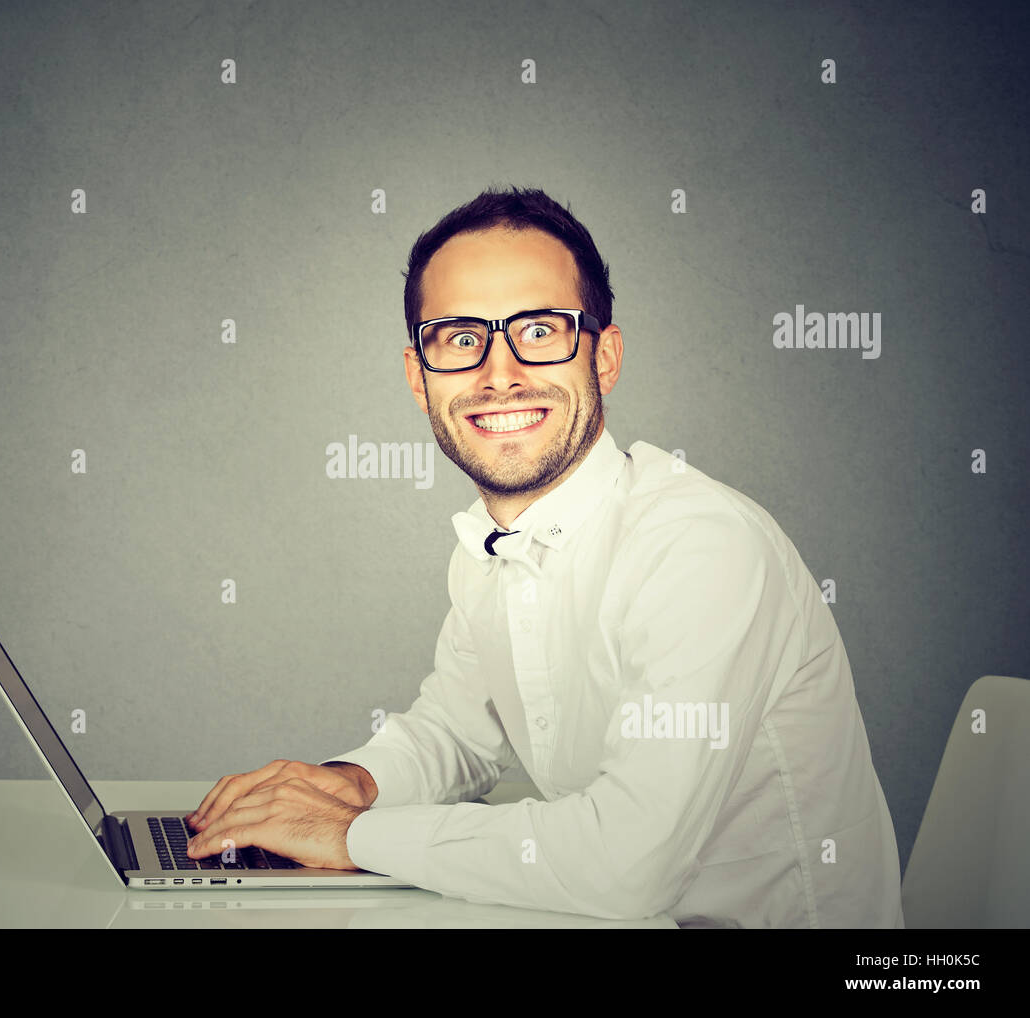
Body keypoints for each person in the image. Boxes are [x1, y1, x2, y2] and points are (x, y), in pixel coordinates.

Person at [185, 186, 905, 927]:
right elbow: (459, 735)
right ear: (417, 376)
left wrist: (353, 837)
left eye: (539, 330)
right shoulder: (488, 551)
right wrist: (346, 785)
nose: (500, 373)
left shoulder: (700, 548)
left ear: (607, 355)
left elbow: (629, 863)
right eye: (461, 338)